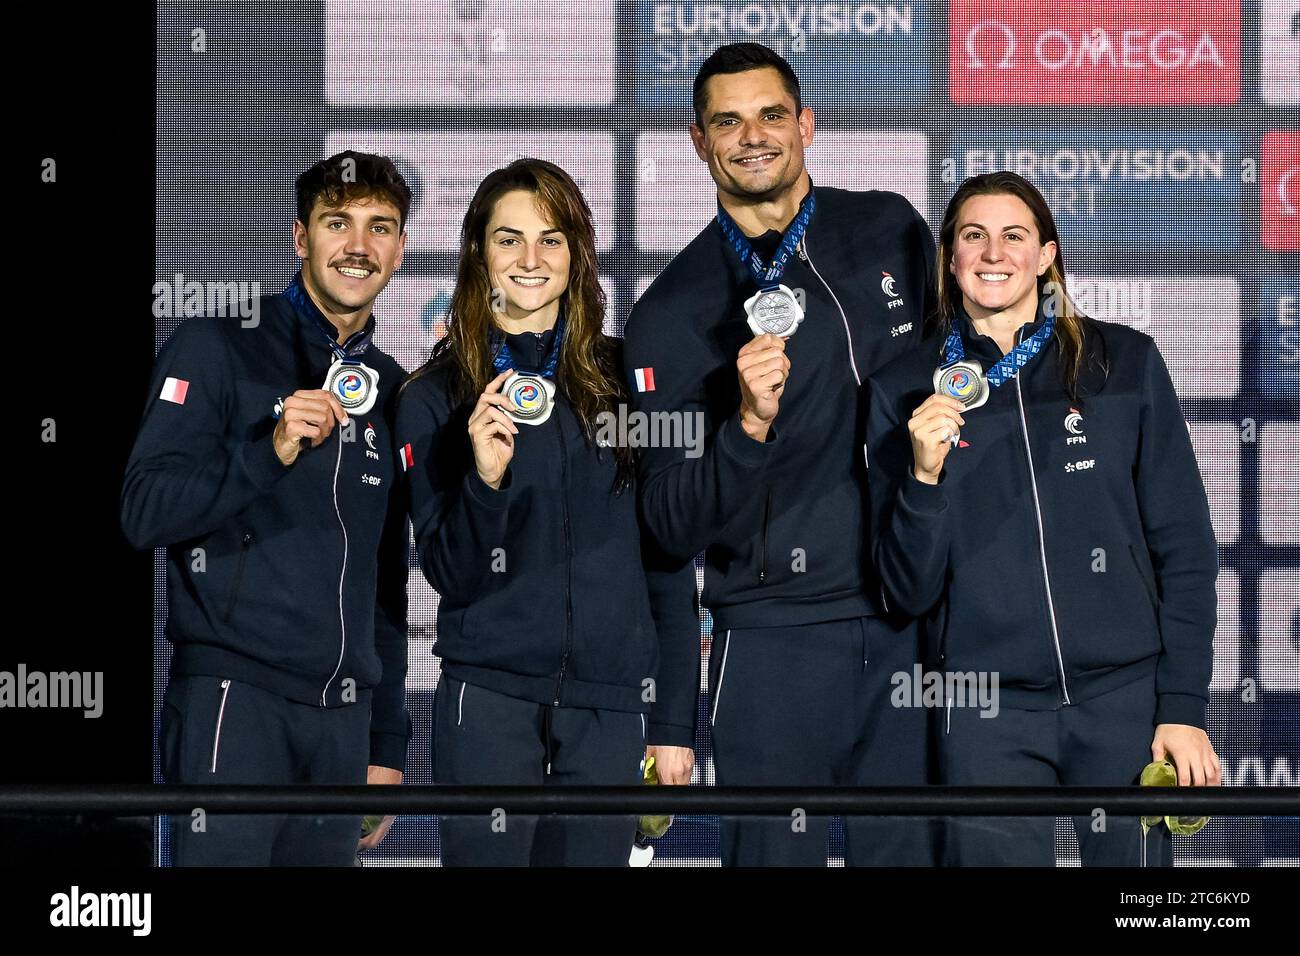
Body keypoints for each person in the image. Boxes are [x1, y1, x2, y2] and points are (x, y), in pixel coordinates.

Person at [623, 42, 938, 866]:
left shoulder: (890, 228)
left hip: (912, 624)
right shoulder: (670, 314)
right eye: (727, 121)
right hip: (771, 643)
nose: (751, 136)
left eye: (770, 115)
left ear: (805, 123)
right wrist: (747, 429)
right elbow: (664, 524)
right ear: (699, 141)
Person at [865, 170, 1222, 866]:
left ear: (1046, 254)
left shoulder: (1124, 362)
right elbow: (903, 592)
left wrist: (1180, 706)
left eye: (1013, 236)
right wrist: (923, 476)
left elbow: (1185, 550)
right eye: (973, 236)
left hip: (1125, 702)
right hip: (984, 716)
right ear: (949, 257)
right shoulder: (901, 390)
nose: (992, 253)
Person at [397, 157, 698, 867]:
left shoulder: (629, 383)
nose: (530, 259)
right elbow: (451, 572)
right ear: (478, 254)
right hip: (487, 703)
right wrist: (485, 479)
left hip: (609, 709)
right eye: (509, 239)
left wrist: (674, 719)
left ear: (578, 253)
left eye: (552, 238)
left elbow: (666, 560)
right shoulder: (434, 396)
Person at [122, 151, 413, 866]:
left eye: (380, 227)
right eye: (337, 222)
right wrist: (270, 451)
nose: (358, 246)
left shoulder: (392, 387)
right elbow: (143, 510)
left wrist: (385, 744)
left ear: (401, 248)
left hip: (343, 725)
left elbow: (383, 585)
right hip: (234, 702)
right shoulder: (216, 346)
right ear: (299, 237)